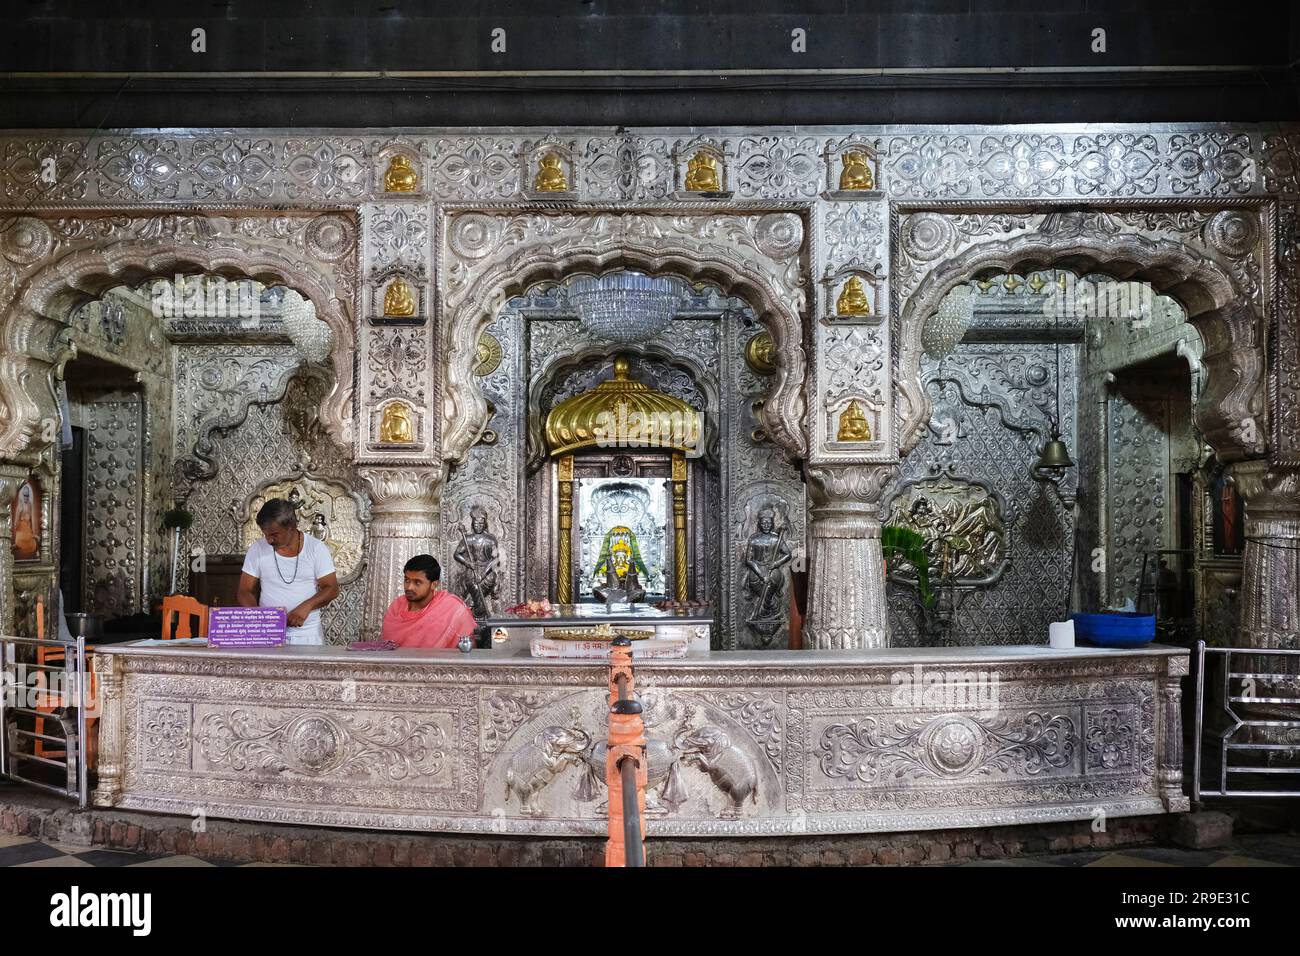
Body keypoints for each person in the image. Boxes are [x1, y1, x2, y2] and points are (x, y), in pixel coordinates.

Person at [237, 497, 340, 645]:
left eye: (274, 534)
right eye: (265, 534)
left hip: (307, 634)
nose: (269, 540)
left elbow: (332, 589)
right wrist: (258, 617)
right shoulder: (257, 549)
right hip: (268, 634)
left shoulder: (316, 548)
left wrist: (306, 606)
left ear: (291, 526)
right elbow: (244, 590)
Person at [380, 554, 478, 649]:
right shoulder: (396, 607)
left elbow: (469, 653)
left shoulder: (452, 609)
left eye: (417, 583)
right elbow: (387, 650)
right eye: (407, 580)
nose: (409, 587)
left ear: (434, 584)